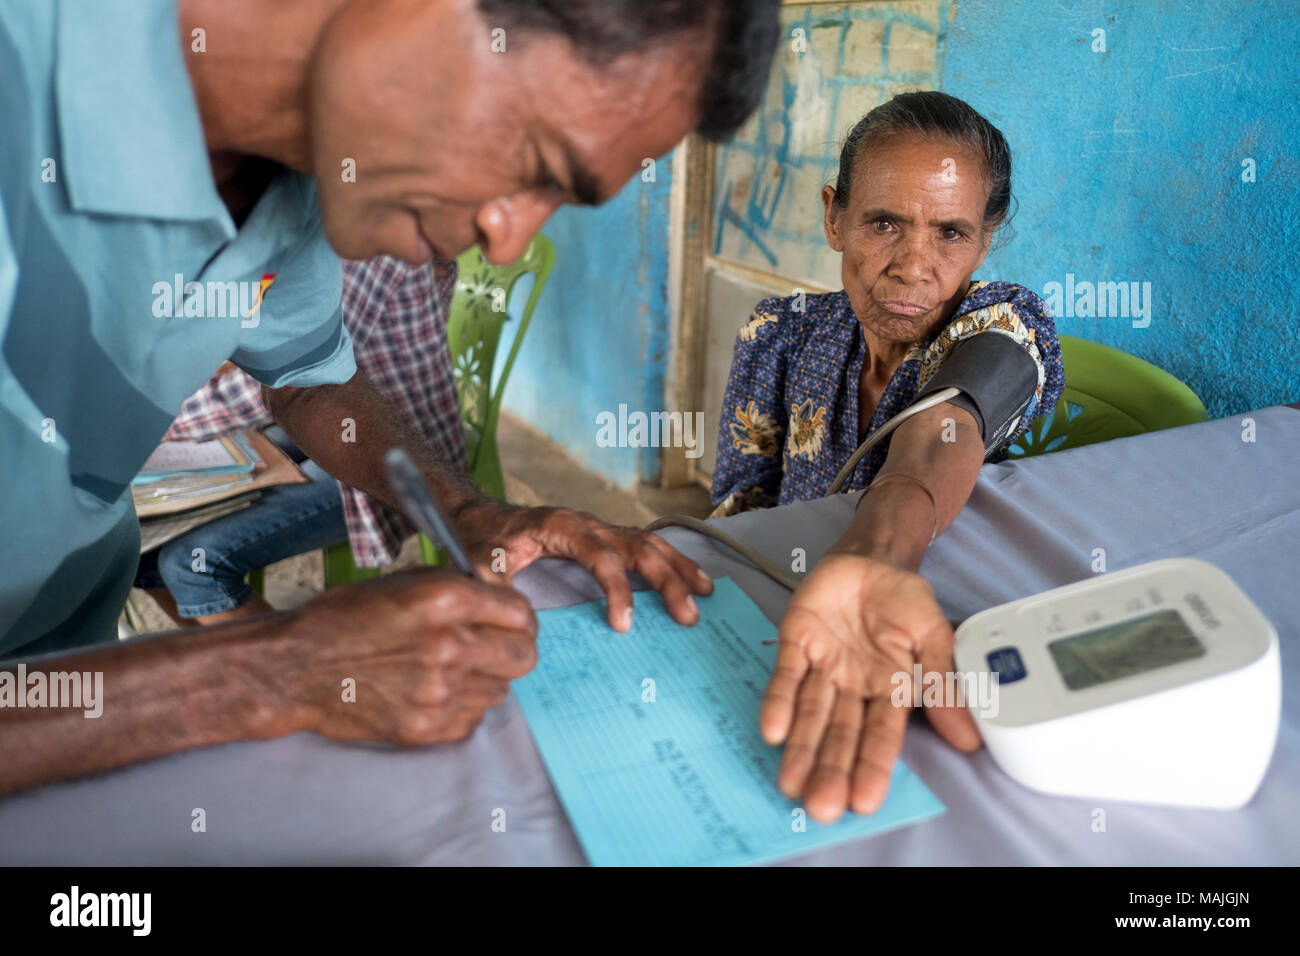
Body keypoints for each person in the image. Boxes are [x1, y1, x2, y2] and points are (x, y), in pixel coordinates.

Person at [0, 0, 781, 797]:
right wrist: (272, 674)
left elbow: (310, 379)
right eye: (536, 162)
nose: (507, 242)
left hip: (66, 657)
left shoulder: (296, 178)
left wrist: (472, 514)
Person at [710, 92, 1066, 822]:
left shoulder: (1001, 327)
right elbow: (736, 517)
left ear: (986, 240)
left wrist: (876, 553)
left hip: (907, 642)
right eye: (883, 224)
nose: (913, 267)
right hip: (788, 634)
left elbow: (945, 429)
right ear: (833, 217)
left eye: (951, 233)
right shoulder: (779, 336)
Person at [135, 255, 466, 626]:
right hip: (337, 426)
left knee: (193, 564)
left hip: (390, 463)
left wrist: (158, 424)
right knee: (143, 553)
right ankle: (223, 655)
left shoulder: (375, 257)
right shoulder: (334, 247)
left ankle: (293, 665)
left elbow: (286, 381)